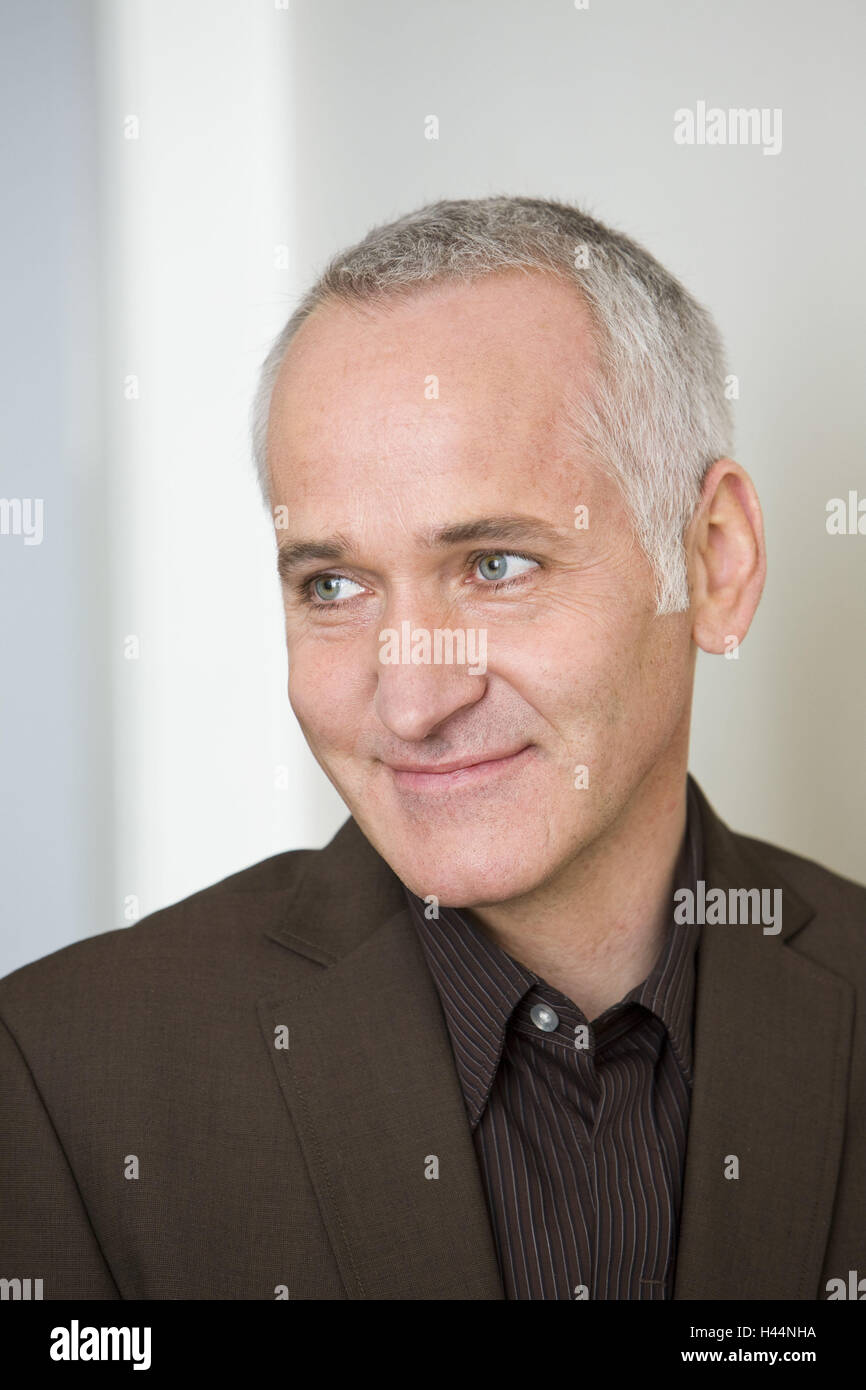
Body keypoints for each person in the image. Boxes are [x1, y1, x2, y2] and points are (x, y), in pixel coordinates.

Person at [1, 197, 863, 1300]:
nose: (408, 700)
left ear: (711, 560)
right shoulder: (65, 1072)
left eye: (495, 565)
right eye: (334, 585)